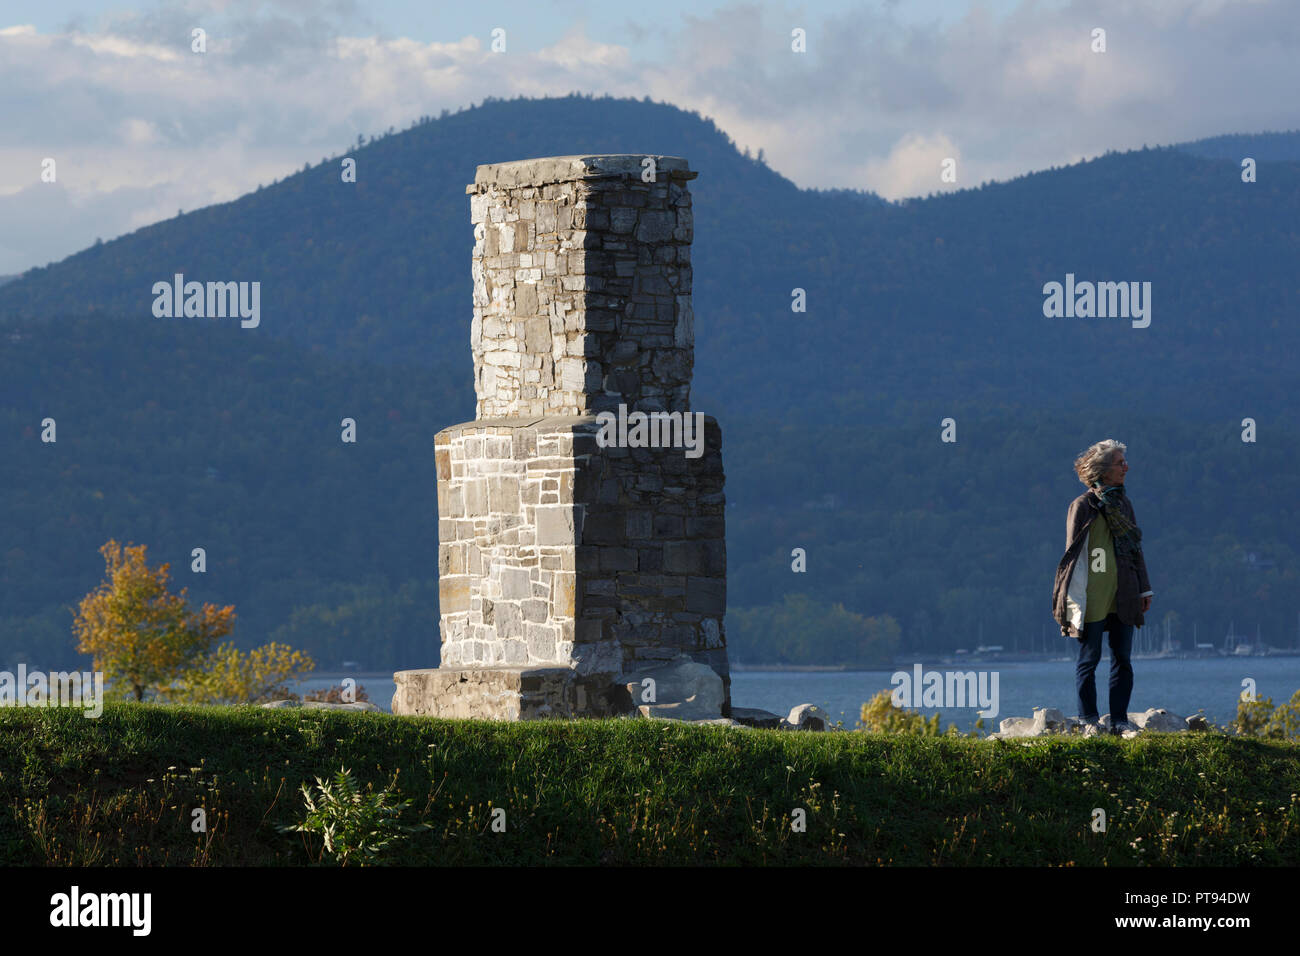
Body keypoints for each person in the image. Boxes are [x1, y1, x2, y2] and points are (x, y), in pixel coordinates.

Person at [1052, 440, 1153, 736]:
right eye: (1120, 463)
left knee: (1123, 659)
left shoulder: (1124, 504)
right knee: (1089, 659)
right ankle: (1089, 720)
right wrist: (1067, 599)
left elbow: (1136, 549)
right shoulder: (1082, 506)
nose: (1126, 467)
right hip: (1091, 596)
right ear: (1102, 470)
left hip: (1123, 592)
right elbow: (1071, 558)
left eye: (1124, 462)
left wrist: (1144, 589)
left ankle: (1119, 721)